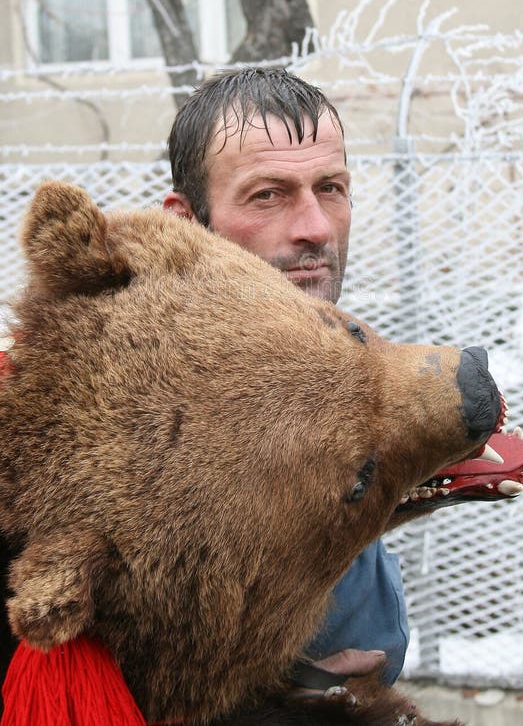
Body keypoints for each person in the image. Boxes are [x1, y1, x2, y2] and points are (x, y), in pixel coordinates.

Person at [162, 66, 409, 686]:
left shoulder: (355, 375)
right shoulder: (133, 411)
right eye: (267, 194)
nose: (316, 228)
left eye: (331, 188)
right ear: (186, 223)